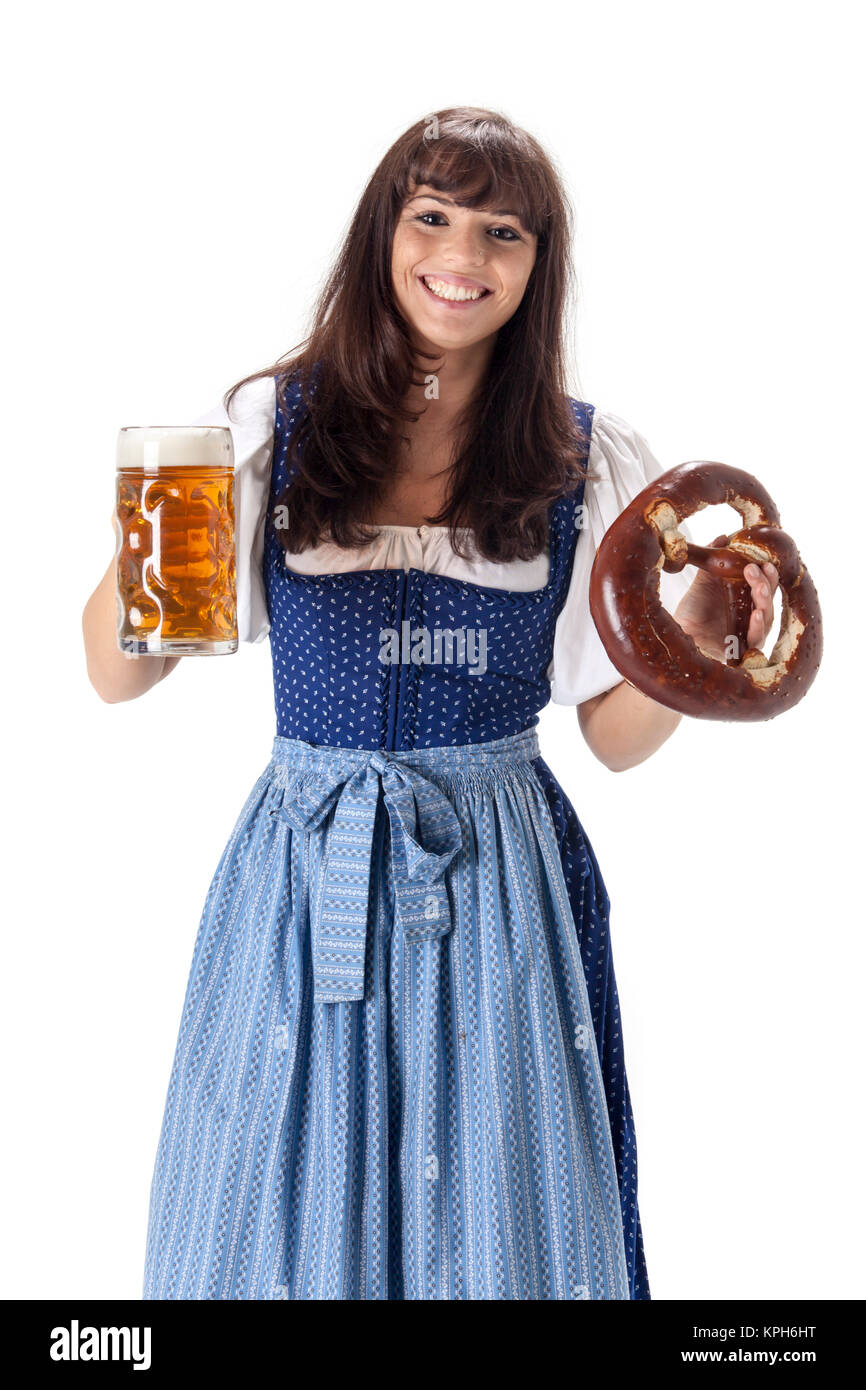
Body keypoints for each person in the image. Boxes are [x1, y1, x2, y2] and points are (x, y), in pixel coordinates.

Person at [82, 107, 778, 1301]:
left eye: (501, 230)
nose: (462, 256)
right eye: (433, 217)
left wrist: (695, 637)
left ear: (535, 264)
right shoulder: (266, 431)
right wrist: (149, 531)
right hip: (306, 871)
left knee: (502, 1218)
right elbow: (118, 672)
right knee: (266, 1195)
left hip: (498, 873)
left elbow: (612, 739)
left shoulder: (581, 457)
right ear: (384, 234)